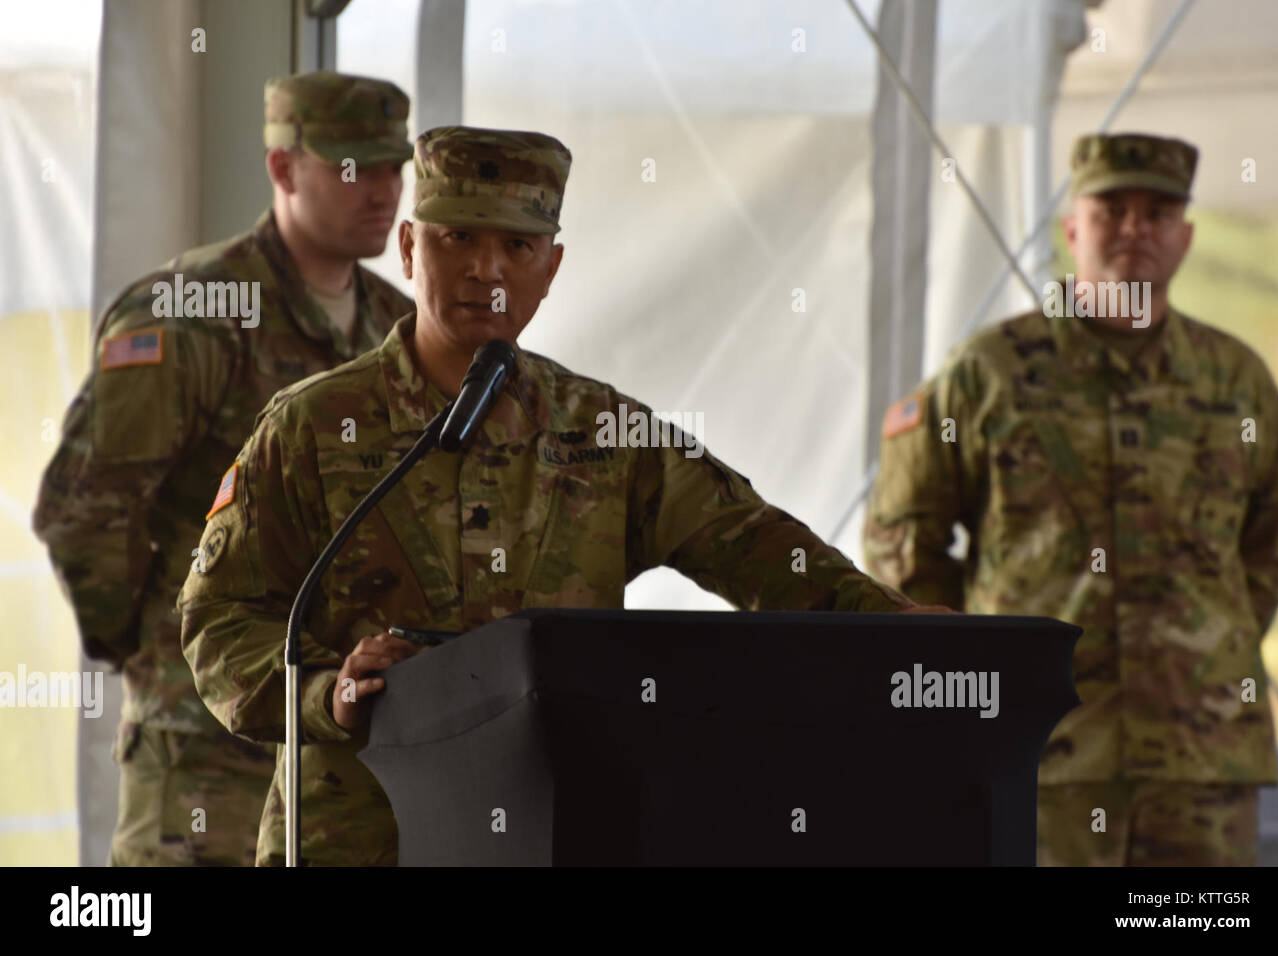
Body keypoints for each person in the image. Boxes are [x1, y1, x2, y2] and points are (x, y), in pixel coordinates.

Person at [178, 124, 943, 866]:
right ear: (410, 248)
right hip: (359, 838)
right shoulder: (315, 426)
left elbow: (756, 546)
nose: (488, 269)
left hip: (548, 833)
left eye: (517, 245)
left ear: (552, 267)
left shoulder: (605, 432)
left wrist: (894, 626)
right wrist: (325, 694)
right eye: (458, 238)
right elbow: (219, 619)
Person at [863, 132, 1278, 865]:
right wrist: (971, 680)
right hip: (1040, 752)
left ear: (1185, 237)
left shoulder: (1235, 378)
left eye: (1158, 212)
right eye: (1112, 209)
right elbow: (905, 541)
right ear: (1072, 229)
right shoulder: (989, 374)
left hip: (1200, 760)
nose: (1135, 228)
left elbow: (1273, 528)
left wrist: (1209, 642)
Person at [33, 71, 417, 866]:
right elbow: (86, 510)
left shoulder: (398, 328)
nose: (382, 190)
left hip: (346, 747)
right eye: (353, 168)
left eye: (391, 166)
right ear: (283, 169)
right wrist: (160, 656)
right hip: (206, 754)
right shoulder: (194, 312)